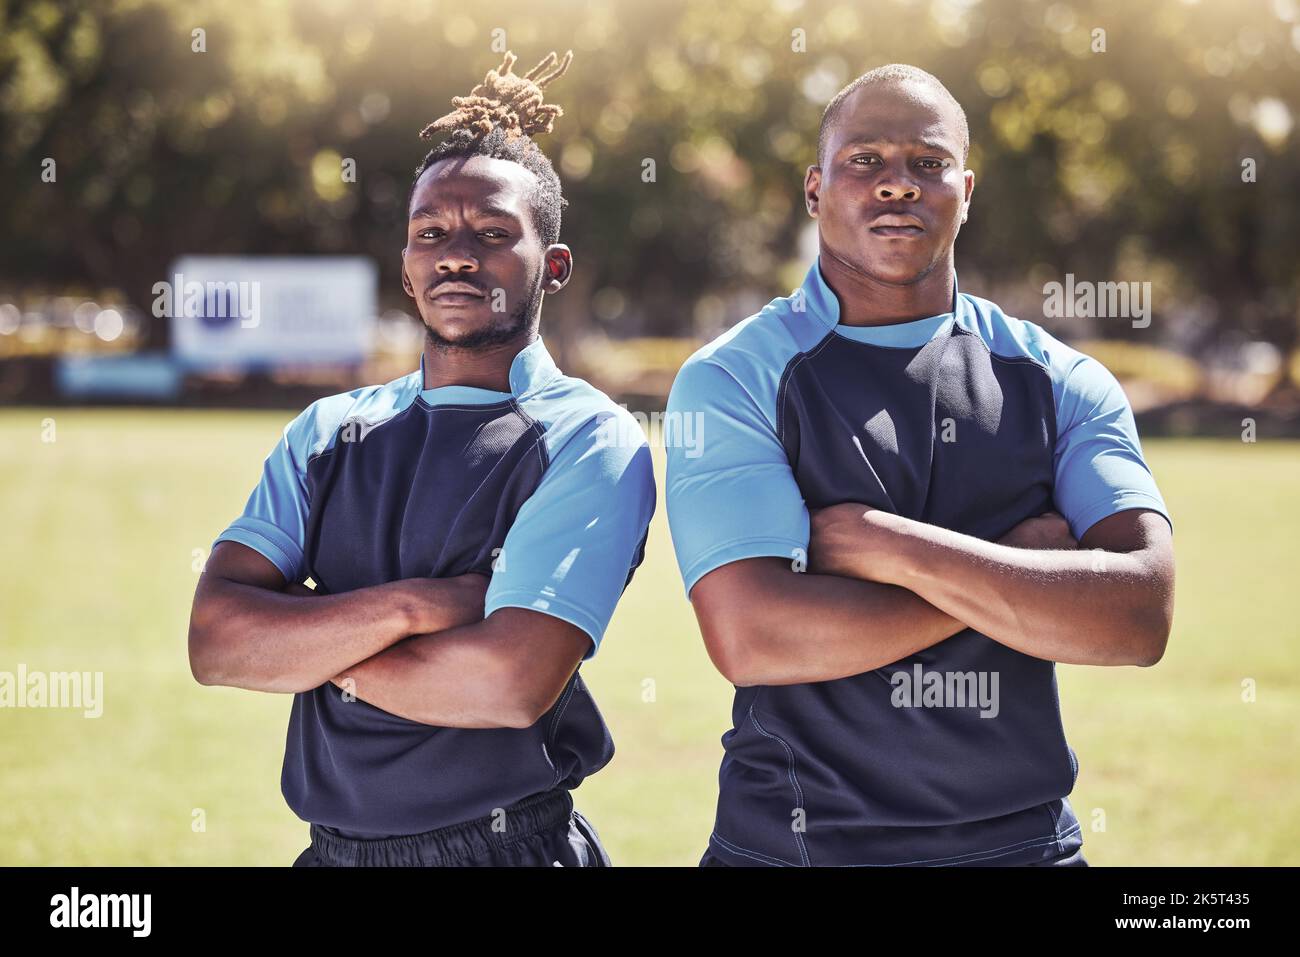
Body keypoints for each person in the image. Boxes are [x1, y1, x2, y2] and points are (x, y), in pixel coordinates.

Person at [665, 63, 1175, 867]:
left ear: (965, 191)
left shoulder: (1058, 379)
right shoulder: (733, 377)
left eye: (927, 164)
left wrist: (894, 548)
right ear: (815, 189)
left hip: (1022, 847)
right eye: (864, 160)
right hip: (794, 848)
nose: (897, 184)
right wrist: (1027, 565)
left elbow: (1140, 613)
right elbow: (754, 635)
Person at [188, 50, 655, 867]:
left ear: (554, 266)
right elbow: (217, 643)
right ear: (407, 272)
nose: (456, 254)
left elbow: (506, 685)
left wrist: (317, 649)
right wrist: (410, 607)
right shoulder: (328, 430)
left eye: (493, 233)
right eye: (430, 233)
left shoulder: (590, 438)